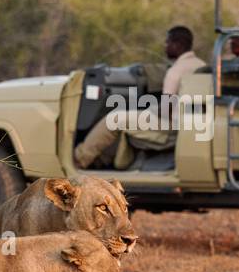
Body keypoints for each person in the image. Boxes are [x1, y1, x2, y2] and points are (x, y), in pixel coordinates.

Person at [73, 25, 206, 169]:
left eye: (167, 43)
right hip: (188, 125)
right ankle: (101, 161)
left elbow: (165, 110)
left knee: (113, 119)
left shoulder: (175, 71)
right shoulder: (201, 65)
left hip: (170, 128)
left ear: (178, 44)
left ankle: (79, 160)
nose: (165, 47)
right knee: (125, 119)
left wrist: (148, 110)